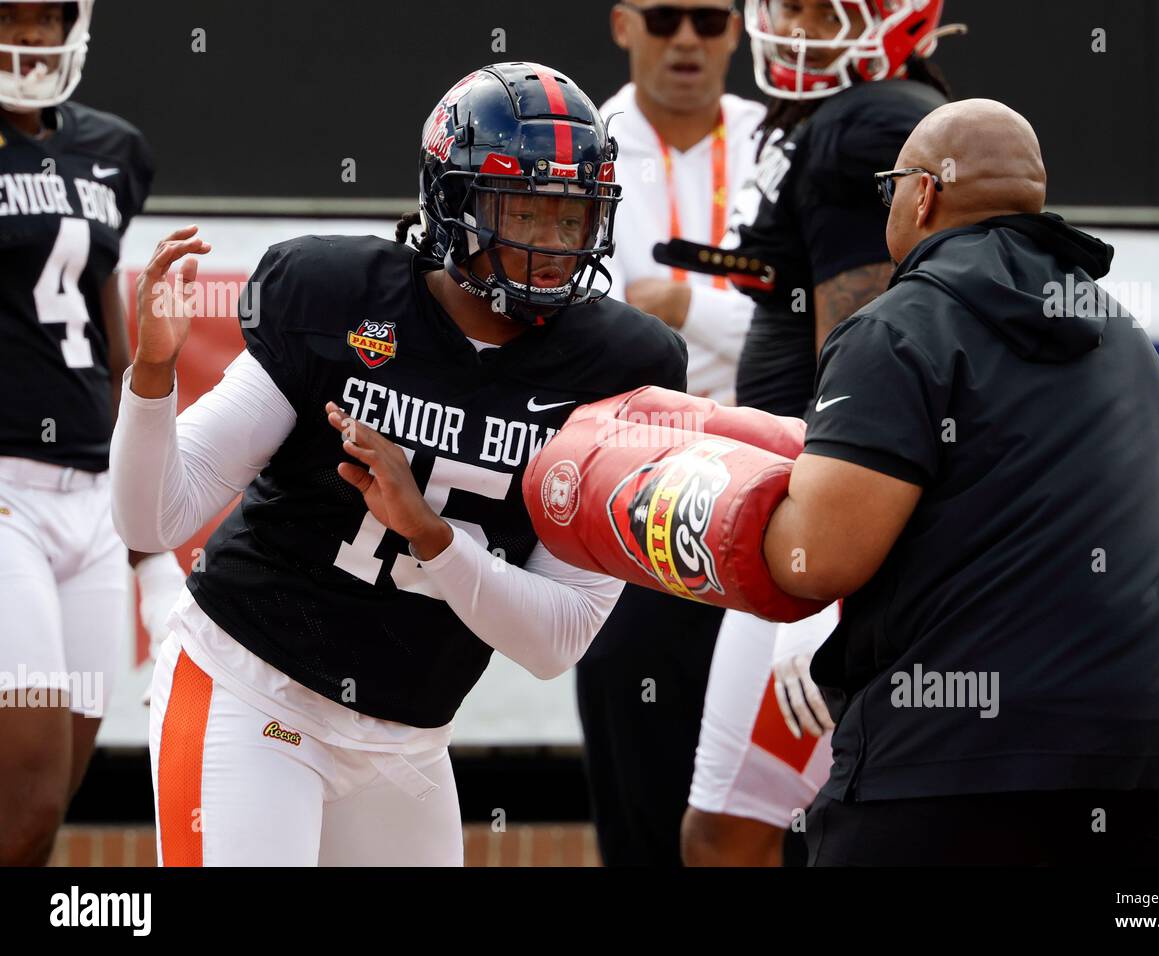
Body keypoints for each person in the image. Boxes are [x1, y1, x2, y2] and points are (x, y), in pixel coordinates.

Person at [109, 62, 688, 867]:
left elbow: (560, 637)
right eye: (525, 209)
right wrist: (153, 376)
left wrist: (428, 533)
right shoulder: (340, 298)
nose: (551, 244)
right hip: (252, 686)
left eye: (573, 215)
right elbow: (152, 518)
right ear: (453, 200)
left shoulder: (619, 366)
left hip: (410, 738)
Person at [757, 98, 1159, 865]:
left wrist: (699, 497)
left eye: (888, 190)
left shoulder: (894, 330)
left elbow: (821, 559)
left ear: (922, 193)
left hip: (949, 769)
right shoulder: (1129, 340)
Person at [678, 0, 957, 866]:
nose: (793, 26)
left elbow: (867, 371)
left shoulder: (871, 121)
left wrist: (818, 584)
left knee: (735, 835)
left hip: (827, 525)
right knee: (737, 827)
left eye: (818, 8)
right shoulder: (842, 116)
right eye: (788, 5)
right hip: (803, 516)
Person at [574, 0, 763, 867]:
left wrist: (692, 307)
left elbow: (824, 318)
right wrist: (742, 312)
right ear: (623, 25)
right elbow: (579, 324)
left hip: (770, 485)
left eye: (708, 17)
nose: (685, 38)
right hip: (630, 492)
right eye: (663, 16)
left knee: (769, 794)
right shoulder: (577, 138)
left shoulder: (779, 142)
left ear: (736, 29)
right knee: (642, 788)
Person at [0, 0, 181, 865]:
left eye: (46, 17)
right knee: (24, 799)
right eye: (11, 15)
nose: (30, 38)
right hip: (5, 502)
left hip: (92, 507)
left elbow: (105, 330)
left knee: (47, 804)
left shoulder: (113, 149)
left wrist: (146, 539)